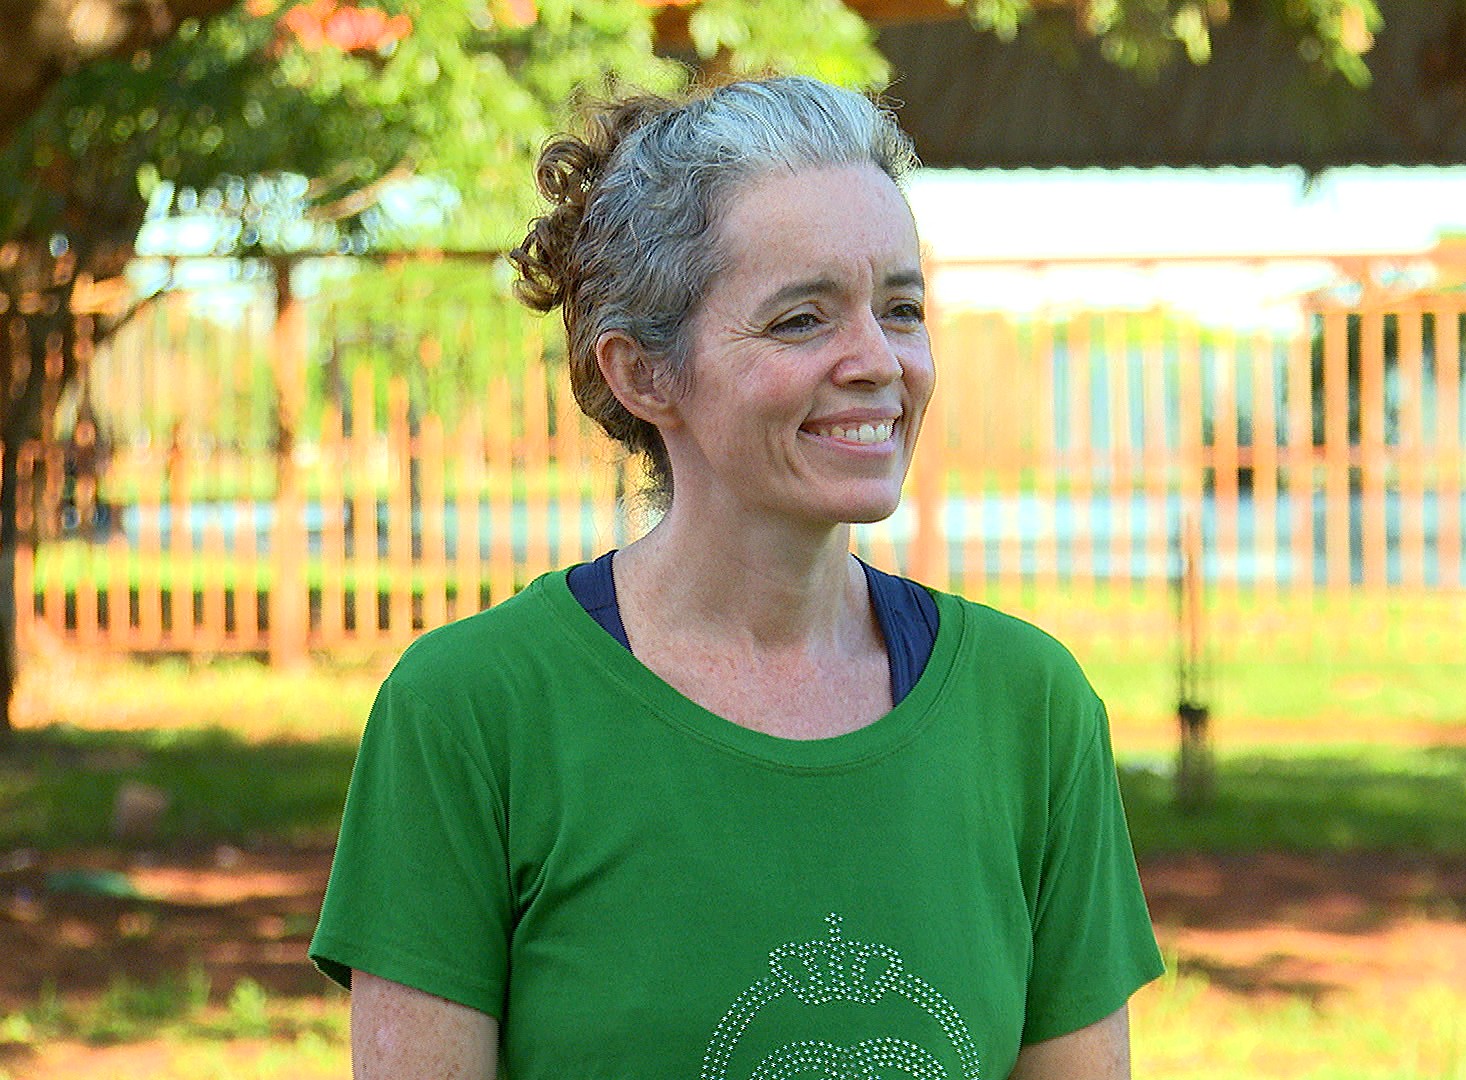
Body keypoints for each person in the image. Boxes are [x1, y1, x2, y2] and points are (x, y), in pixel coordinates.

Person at [309, 74, 1163, 1079]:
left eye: (901, 307)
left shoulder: (1031, 709)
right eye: (802, 319)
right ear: (643, 373)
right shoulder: (471, 714)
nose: (878, 360)